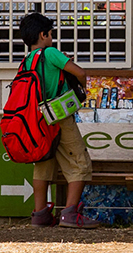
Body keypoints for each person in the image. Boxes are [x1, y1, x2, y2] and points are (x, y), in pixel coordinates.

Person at [19, 13, 101, 230]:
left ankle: (39, 215)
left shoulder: (27, 61)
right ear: (43, 34)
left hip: (37, 119)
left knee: (44, 162)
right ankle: (70, 214)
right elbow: (80, 72)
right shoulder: (51, 53)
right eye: (50, 34)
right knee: (79, 162)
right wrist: (81, 88)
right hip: (59, 116)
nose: (51, 38)